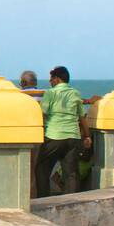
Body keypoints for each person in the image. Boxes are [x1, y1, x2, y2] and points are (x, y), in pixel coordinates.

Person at [35, 65, 90, 198]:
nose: (50, 82)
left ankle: (43, 199)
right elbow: (82, 117)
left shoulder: (50, 93)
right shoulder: (75, 93)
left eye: (51, 79)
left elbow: (42, 114)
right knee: (71, 173)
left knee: (41, 169)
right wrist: (87, 136)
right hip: (73, 137)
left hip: (54, 136)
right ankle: (71, 201)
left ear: (57, 79)